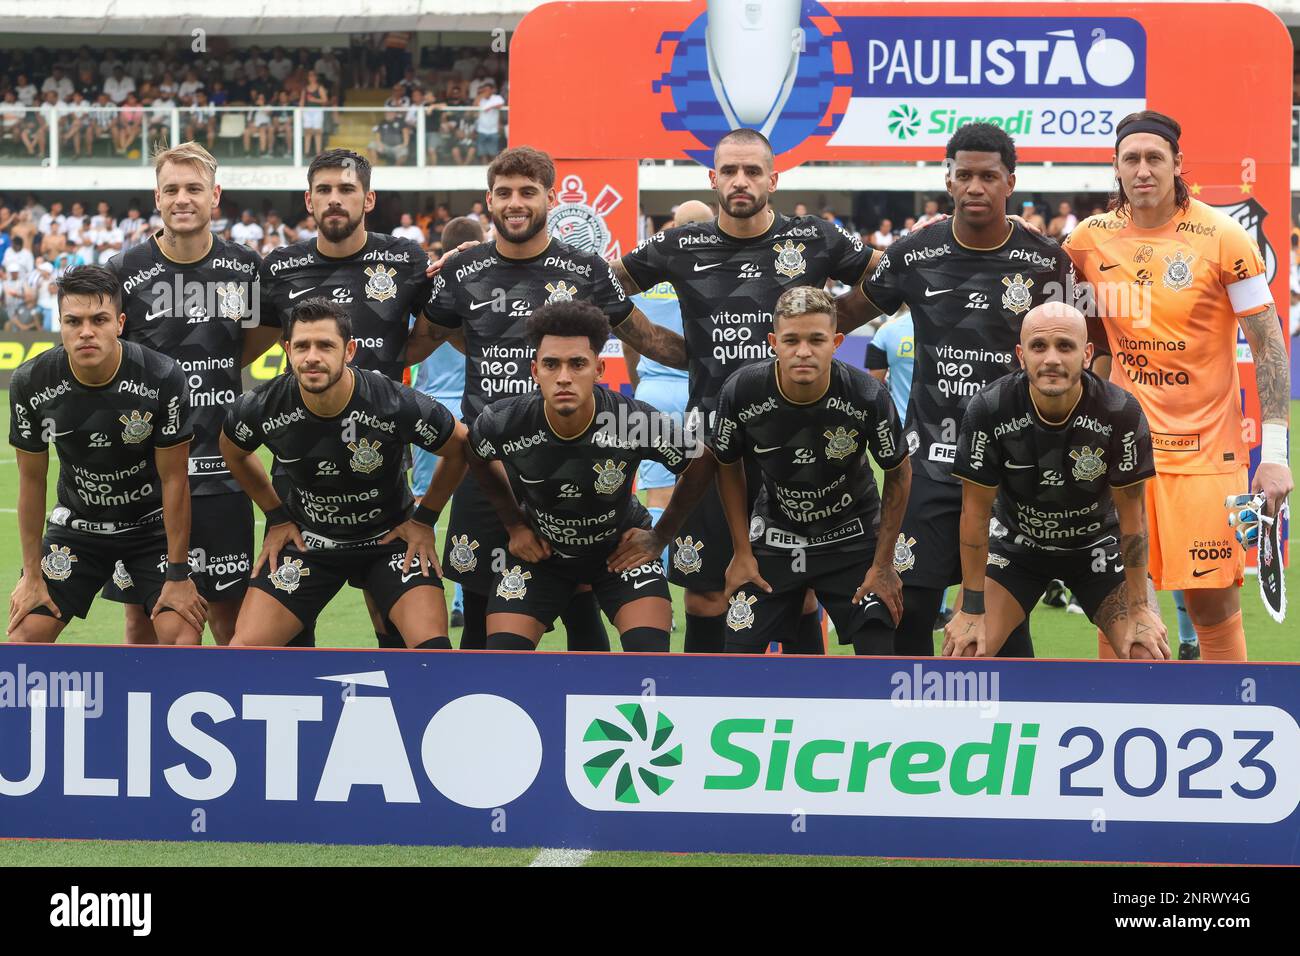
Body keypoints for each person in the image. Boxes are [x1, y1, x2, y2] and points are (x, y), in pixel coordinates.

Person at [610, 128, 880, 654]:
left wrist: (834, 322)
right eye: (729, 171)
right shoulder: (679, 244)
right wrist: (665, 345)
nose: (740, 181)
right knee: (707, 595)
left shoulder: (814, 239)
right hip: (712, 445)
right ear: (713, 179)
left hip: (802, 444)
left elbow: (886, 276)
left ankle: (804, 710)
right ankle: (703, 707)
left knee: (799, 593)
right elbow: (607, 283)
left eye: (752, 170)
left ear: (773, 179)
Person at [418, 145, 686, 651]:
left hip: (573, 461)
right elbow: (417, 342)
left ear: (550, 197)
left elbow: (649, 340)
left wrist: (720, 361)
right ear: (489, 202)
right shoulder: (462, 271)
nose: (515, 203)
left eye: (527, 192)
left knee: (581, 608)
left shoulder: (585, 270)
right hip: (490, 466)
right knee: (480, 614)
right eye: (504, 193)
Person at [1063, 109, 1293, 661]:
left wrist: (1277, 451)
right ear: (1115, 168)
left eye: (1154, 158)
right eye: (1131, 159)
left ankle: (1227, 727)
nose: (1142, 170)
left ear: (1177, 164)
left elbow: (1269, 343)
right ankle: (1123, 729)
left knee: (1212, 610)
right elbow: (1085, 344)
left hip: (1206, 457)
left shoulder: (1223, 237)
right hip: (1122, 456)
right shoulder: (1086, 243)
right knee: (1120, 608)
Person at [846, 122, 1076, 657]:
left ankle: (1009, 732)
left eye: (988, 176)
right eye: (964, 174)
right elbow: (841, 316)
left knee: (1003, 624)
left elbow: (1092, 352)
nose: (976, 186)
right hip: (929, 465)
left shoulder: (1046, 262)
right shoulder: (913, 253)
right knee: (911, 610)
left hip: (1013, 470)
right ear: (948, 182)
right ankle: (908, 729)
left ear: (1010, 182)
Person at [261, 147, 450, 649]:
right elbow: (254, 342)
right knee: (291, 625)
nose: (334, 199)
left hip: (381, 460)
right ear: (308, 200)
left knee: (389, 617)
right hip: (299, 463)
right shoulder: (280, 268)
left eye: (346, 189)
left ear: (369, 199)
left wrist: (393, 360)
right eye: (323, 190)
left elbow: (432, 329)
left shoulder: (406, 259)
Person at [101, 141, 281, 647]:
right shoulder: (124, 270)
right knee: (143, 620)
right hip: (143, 479)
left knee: (228, 618)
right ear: (157, 198)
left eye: (194, 188)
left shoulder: (244, 267)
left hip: (220, 473)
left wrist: (213, 368)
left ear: (215, 195)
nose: (183, 198)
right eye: (172, 189)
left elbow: (256, 338)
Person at [221, 297, 469, 649]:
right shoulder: (264, 405)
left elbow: (460, 447)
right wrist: (276, 517)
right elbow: (233, 449)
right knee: (243, 653)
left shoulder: (392, 401)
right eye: (303, 346)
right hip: (311, 542)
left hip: (388, 542)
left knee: (433, 652)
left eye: (325, 345)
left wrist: (425, 519)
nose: (312, 357)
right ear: (288, 350)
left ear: (349, 350)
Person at [944, 301, 1168, 659]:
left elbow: (1134, 519)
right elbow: (974, 515)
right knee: (966, 651)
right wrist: (971, 609)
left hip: (1097, 545)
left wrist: (1140, 605)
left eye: (1065, 346)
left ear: (1086, 353)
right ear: (1021, 354)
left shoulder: (1120, 412)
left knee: (1145, 652)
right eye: (1038, 347)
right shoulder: (990, 408)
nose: (1051, 359)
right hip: (1018, 547)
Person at [468, 301, 692, 652]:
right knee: (502, 660)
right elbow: (477, 457)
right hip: (544, 555)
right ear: (534, 370)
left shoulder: (633, 420)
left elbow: (700, 462)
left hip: (619, 551)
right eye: (551, 364)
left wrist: (661, 536)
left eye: (577, 364)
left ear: (599, 368)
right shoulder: (504, 422)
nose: (563, 377)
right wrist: (513, 525)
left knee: (650, 657)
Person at [7, 265, 206, 645]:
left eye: (99, 319)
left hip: (150, 529)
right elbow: (31, 482)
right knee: (24, 638)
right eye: (73, 321)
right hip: (77, 528)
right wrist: (32, 576)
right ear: (60, 324)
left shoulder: (161, 377)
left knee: (182, 634)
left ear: (119, 322)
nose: (86, 331)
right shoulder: (31, 381)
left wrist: (179, 575)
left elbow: (175, 478)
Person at [707, 287, 911, 655]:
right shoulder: (742, 390)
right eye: (791, 340)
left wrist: (883, 564)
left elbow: (898, 472)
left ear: (835, 342)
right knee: (735, 656)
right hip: (776, 536)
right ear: (773, 342)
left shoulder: (866, 395)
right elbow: (726, 463)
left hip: (852, 537)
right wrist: (741, 551)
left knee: (879, 645)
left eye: (816, 339)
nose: (803, 351)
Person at [625, 200, 710, 568]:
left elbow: (633, 340)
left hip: (654, 391)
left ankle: (657, 591)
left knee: (658, 493)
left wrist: (640, 388)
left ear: (673, 224)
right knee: (708, 488)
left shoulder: (650, 272)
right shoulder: (717, 273)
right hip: (703, 392)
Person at [411, 215, 483, 629]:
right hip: (474, 407)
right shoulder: (486, 284)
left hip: (430, 409)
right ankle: (464, 593)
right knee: (476, 498)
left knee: (426, 503)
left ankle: (427, 584)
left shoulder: (435, 290)